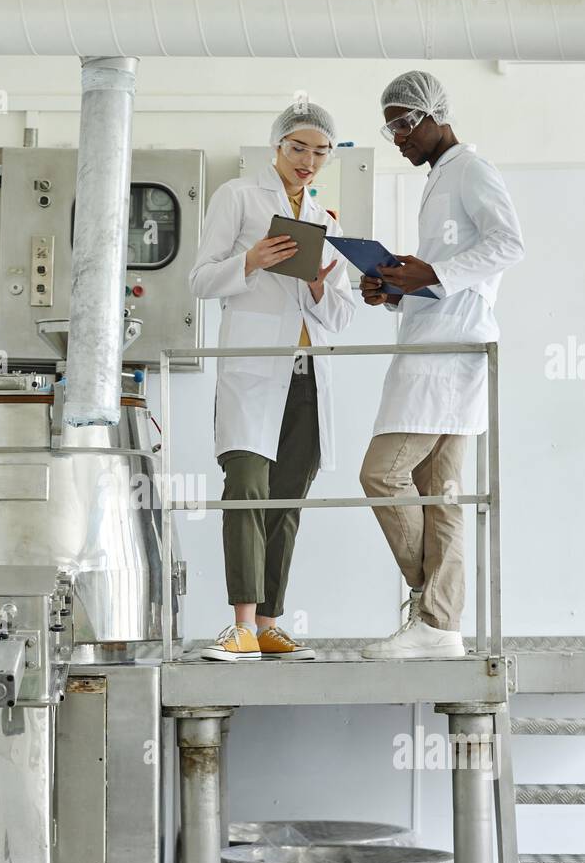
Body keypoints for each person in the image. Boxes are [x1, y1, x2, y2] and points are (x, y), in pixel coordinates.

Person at [358, 71, 524, 659]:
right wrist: (397, 289)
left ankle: (430, 602)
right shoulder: (441, 178)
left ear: (434, 115)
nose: (398, 137)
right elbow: (448, 268)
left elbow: (509, 243)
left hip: (452, 351)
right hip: (440, 343)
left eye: (404, 123)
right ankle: (442, 627)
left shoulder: (471, 169)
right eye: (391, 128)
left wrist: (432, 273)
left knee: (382, 474)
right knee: (441, 494)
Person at [189, 102, 356, 661]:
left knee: (287, 499)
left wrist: (316, 285)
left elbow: (342, 314)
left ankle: (268, 623)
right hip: (253, 371)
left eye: (320, 152)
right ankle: (239, 625)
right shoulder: (237, 197)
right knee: (246, 491)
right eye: (298, 148)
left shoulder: (326, 220)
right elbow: (200, 281)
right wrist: (252, 260)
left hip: (307, 376)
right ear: (276, 148)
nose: (309, 161)